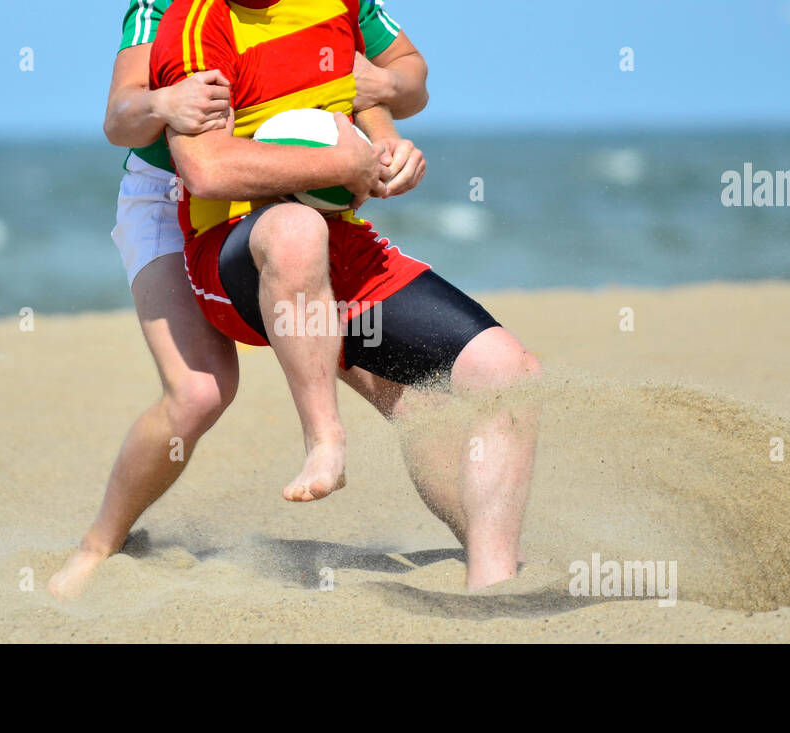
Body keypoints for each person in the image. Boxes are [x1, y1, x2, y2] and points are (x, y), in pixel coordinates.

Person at [48, 0, 430, 600]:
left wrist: (382, 87)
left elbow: (411, 80)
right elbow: (119, 119)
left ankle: (476, 539)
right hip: (170, 191)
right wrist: (159, 103)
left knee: (390, 376)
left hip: (277, 180)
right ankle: (98, 545)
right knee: (199, 392)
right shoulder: (168, 9)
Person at [154, 0, 541, 589]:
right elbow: (205, 167)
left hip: (342, 240)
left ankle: (491, 585)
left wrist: (388, 148)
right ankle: (324, 440)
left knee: (509, 371)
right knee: (294, 229)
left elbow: (377, 94)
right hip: (231, 253)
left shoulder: (337, 5)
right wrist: (339, 161)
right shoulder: (193, 20)